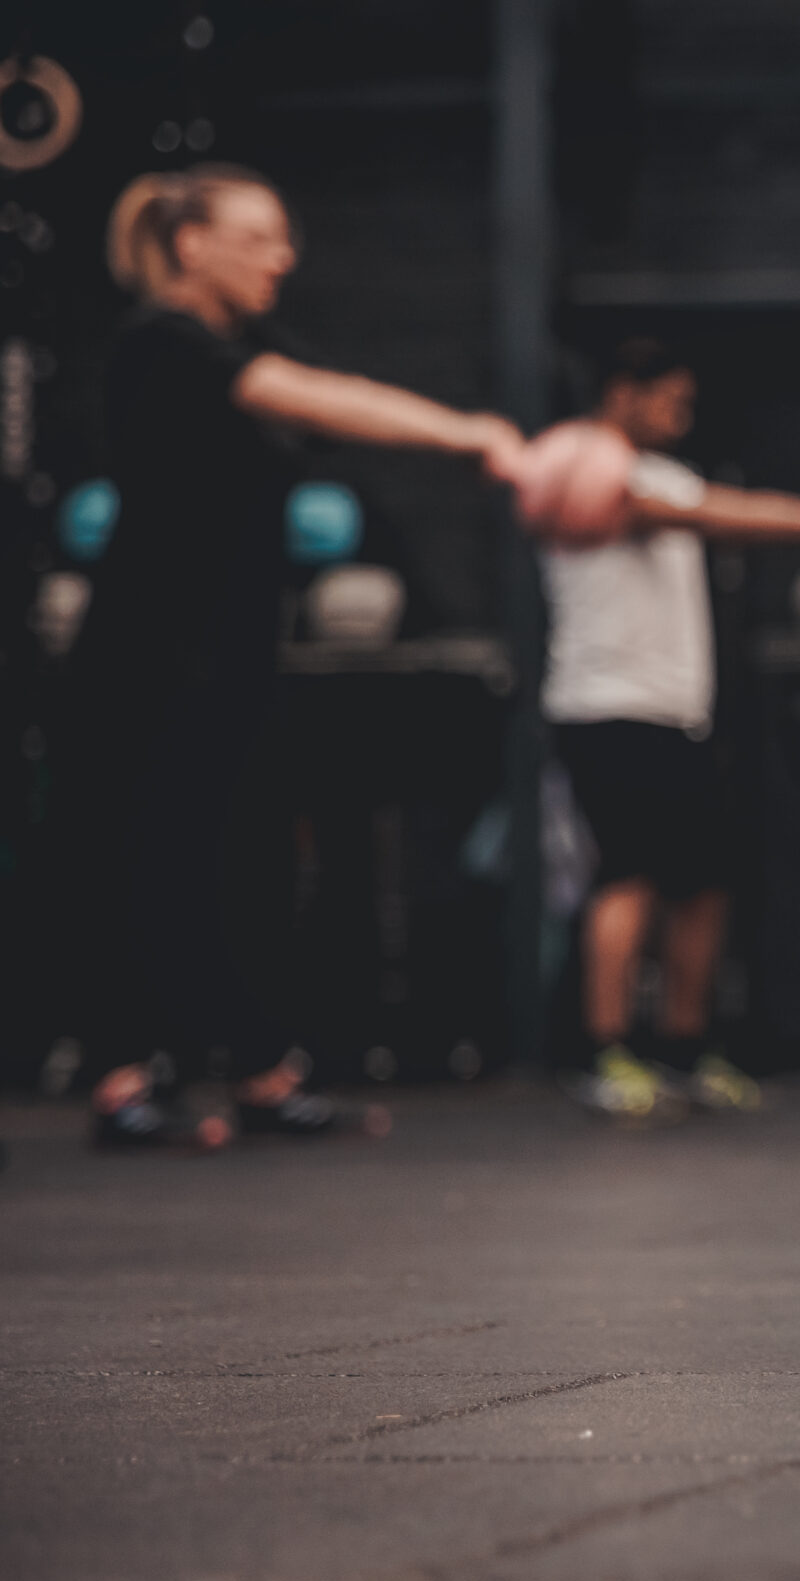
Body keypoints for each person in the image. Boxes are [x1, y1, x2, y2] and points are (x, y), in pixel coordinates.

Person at [73, 165, 525, 1148]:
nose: (284, 256)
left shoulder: (245, 335)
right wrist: (466, 435)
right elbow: (317, 401)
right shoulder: (165, 341)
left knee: (247, 856)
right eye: (261, 237)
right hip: (150, 652)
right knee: (158, 855)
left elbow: (336, 384)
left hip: (232, 650)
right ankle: (123, 1078)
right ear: (193, 245)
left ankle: (255, 1072)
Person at [541, 338, 800, 1119]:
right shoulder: (586, 468)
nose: (679, 415)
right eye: (669, 400)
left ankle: (684, 1047)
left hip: (675, 710)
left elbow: (693, 508)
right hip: (605, 705)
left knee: (704, 881)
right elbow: (712, 517)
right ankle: (607, 1050)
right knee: (627, 873)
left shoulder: (666, 473)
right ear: (624, 391)